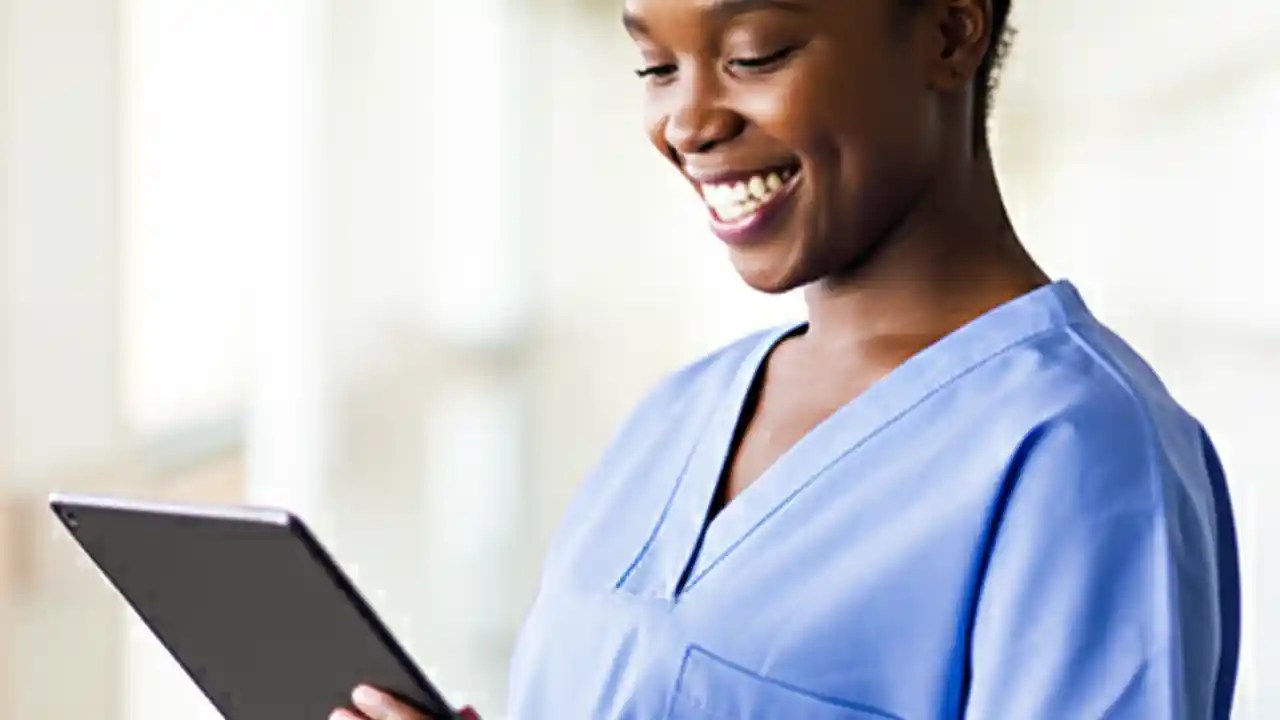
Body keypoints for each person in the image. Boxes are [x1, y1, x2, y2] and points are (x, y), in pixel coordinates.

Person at [332, 0, 1240, 717]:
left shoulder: (1080, 452)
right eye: (654, 66)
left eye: (755, 55)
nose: (686, 123)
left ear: (949, 33)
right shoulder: (675, 416)